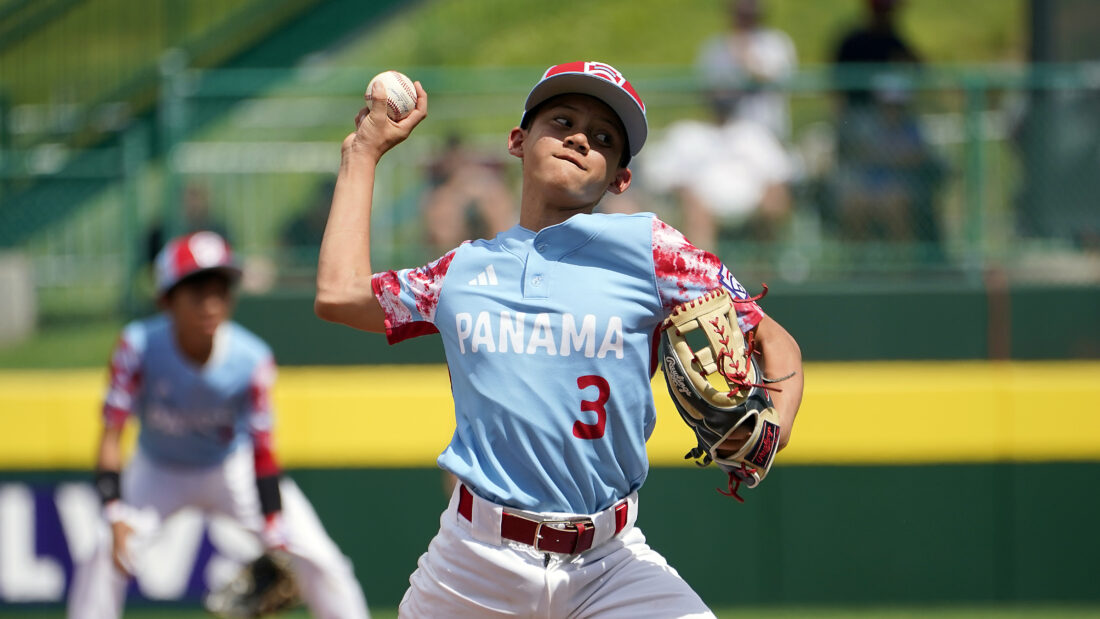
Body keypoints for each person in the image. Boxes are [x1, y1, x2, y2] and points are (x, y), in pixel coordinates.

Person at [315, 61, 803, 617]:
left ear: (619, 178)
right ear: (518, 141)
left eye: (602, 139)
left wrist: (776, 429)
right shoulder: (460, 272)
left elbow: (773, 338)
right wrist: (362, 154)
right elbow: (338, 294)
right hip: (474, 564)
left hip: (610, 565)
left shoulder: (651, 249)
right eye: (562, 120)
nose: (578, 138)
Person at [68, 231, 369, 619]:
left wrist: (275, 527)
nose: (210, 304)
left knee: (319, 558)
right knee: (102, 548)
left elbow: (263, 449)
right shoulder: (137, 346)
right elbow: (111, 435)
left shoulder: (251, 358)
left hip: (231, 466)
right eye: (196, 292)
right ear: (166, 300)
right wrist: (113, 513)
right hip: (157, 469)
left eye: (220, 291)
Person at [695, 0, 798, 140]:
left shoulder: (775, 43)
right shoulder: (715, 47)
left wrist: (746, 59)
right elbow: (706, 90)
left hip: (768, 131)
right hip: (727, 135)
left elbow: (779, 78)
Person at [420, 132, 516, 255]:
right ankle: (448, 258)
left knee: (494, 202)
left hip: (490, 239)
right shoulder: (439, 190)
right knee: (443, 210)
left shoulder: (483, 180)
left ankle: (501, 253)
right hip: (452, 247)